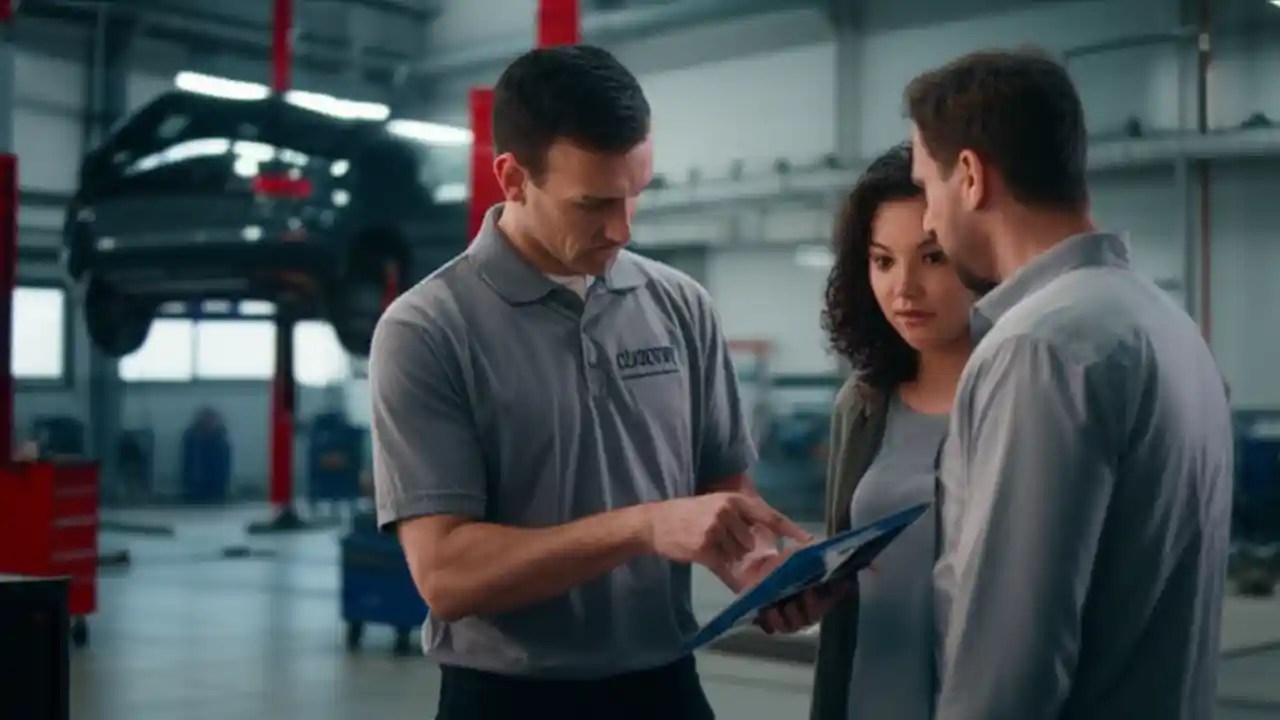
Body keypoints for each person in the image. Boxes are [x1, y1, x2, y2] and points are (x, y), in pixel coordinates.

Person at [368, 44, 810, 720]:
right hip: (508, 699)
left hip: (665, 687)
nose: (623, 227)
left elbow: (721, 484)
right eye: (593, 204)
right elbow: (446, 575)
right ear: (512, 179)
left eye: (637, 193)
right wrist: (641, 527)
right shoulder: (427, 329)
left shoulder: (681, 305)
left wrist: (757, 569)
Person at [906, 49, 1234, 719]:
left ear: (969, 176)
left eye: (925, 188)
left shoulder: (1041, 347)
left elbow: (1009, 665)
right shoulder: (1163, 323)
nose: (928, 221)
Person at [807, 143, 975, 720]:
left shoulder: (1023, 400)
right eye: (883, 261)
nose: (903, 288)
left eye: (932, 258)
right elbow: (846, 583)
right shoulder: (863, 404)